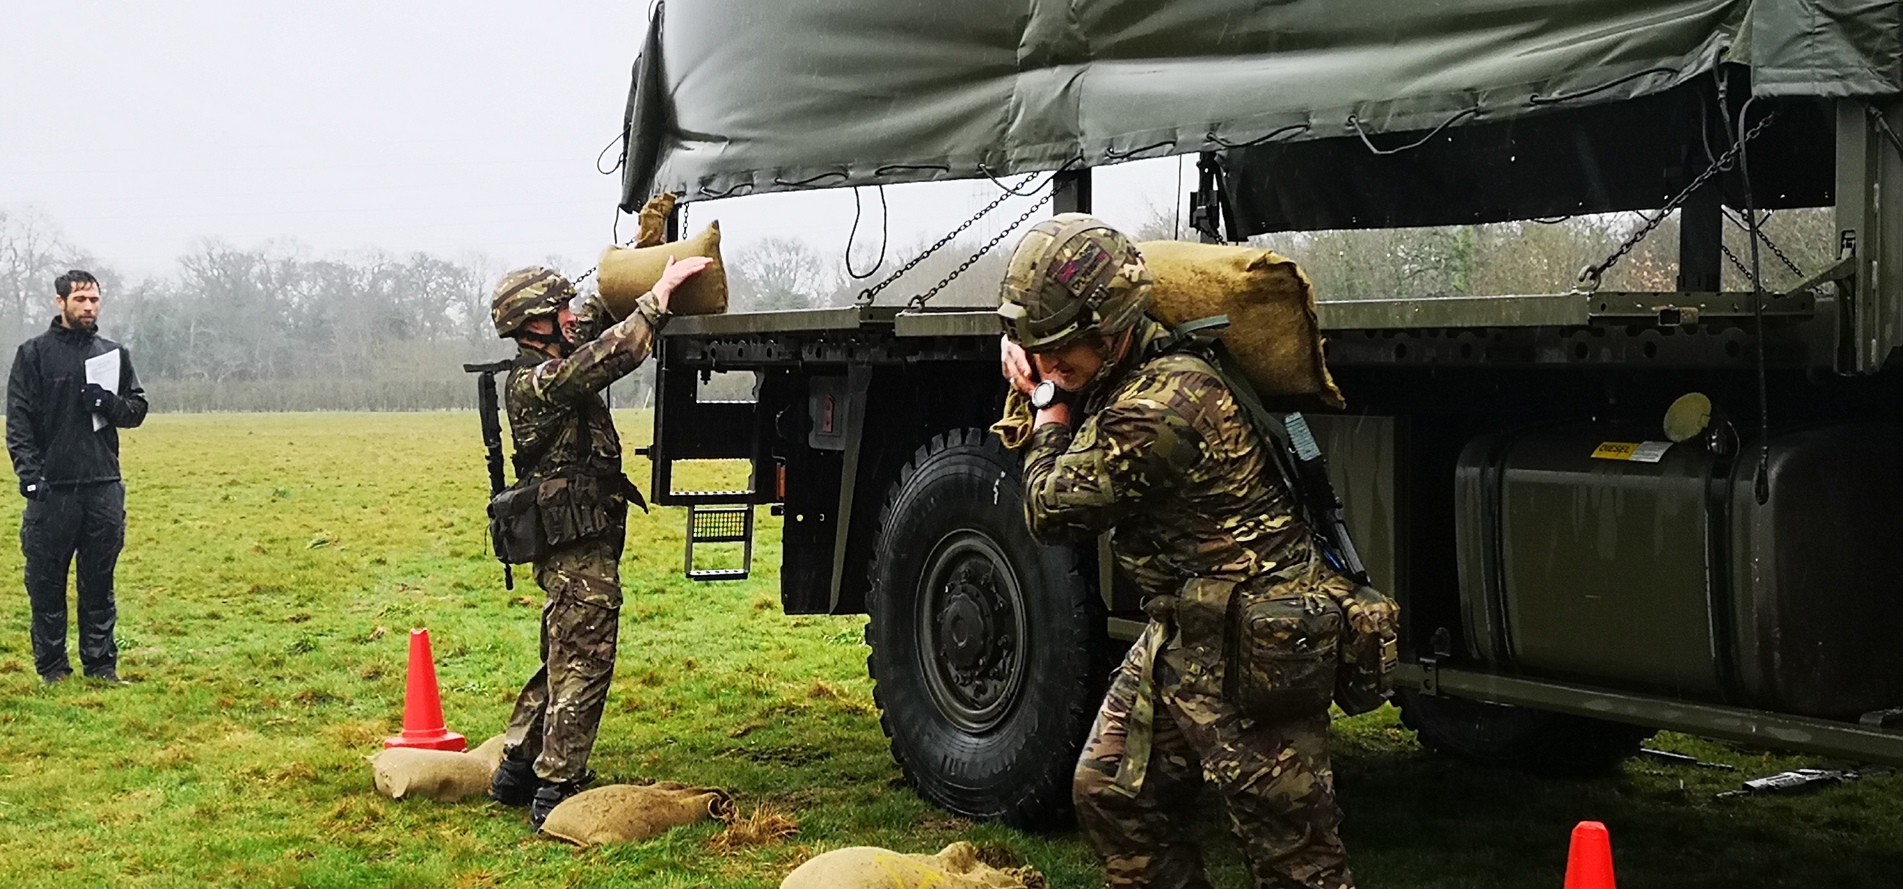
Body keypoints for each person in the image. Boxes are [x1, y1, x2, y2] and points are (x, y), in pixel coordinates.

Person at [998, 216, 1356, 889]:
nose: (1048, 366)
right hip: (1189, 629)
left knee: (1295, 860)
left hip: (1258, 642)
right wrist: (1047, 377)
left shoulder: (1164, 405)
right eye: (1034, 349)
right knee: (1112, 792)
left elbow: (1049, 509)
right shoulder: (1128, 367)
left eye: (1061, 351)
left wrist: (1044, 404)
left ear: (1112, 333)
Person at [485, 256, 710, 831]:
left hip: (581, 537)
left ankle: (516, 768)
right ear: (535, 324)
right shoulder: (537, 382)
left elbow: (592, 318)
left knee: (563, 654)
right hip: (574, 546)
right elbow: (615, 351)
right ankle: (558, 786)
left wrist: (645, 250)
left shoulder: (552, 352)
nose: (569, 314)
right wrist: (657, 295)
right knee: (586, 659)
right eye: (558, 309)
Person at [6, 269, 149, 685]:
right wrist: (29, 475)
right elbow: (19, 421)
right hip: (53, 490)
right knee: (47, 585)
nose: (88, 307)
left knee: (98, 584)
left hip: (103, 484)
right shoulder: (33, 355)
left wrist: (108, 403)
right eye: (80, 300)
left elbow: (136, 410)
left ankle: (102, 666)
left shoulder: (113, 354)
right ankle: (53, 669)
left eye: (94, 300)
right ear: (61, 302)